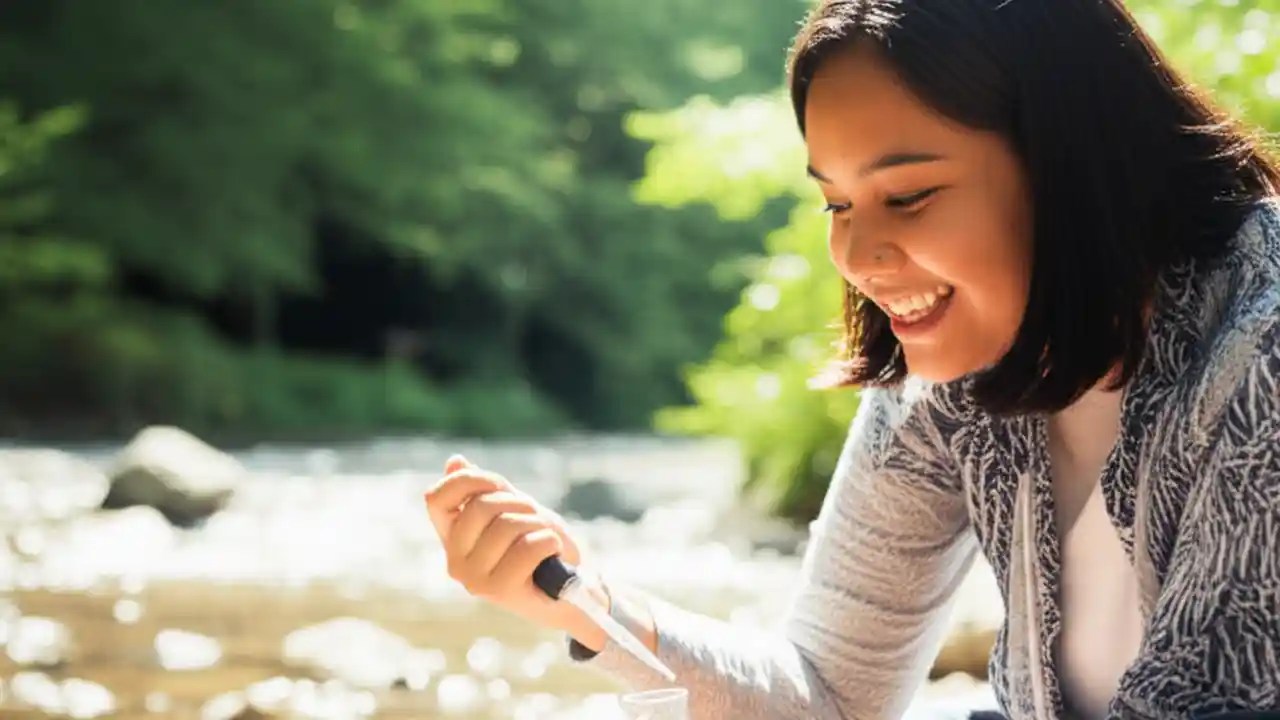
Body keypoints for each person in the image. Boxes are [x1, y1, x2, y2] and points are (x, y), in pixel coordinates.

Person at [424, 1, 1280, 717]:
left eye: (907, 195)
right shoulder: (954, 370)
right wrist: (585, 604)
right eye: (836, 202)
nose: (860, 256)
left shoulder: (1262, 356)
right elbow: (831, 694)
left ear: (1069, 161)